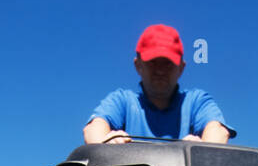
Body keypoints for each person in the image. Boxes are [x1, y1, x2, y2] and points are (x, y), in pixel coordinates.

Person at [83, 24, 235, 144]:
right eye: (153, 62)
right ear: (138, 65)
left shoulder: (196, 101)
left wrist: (203, 152)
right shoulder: (122, 101)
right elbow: (94, 128)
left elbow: (218, 131)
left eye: (168, 63)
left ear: (181, 68)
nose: (160, 70)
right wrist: (105, 144)